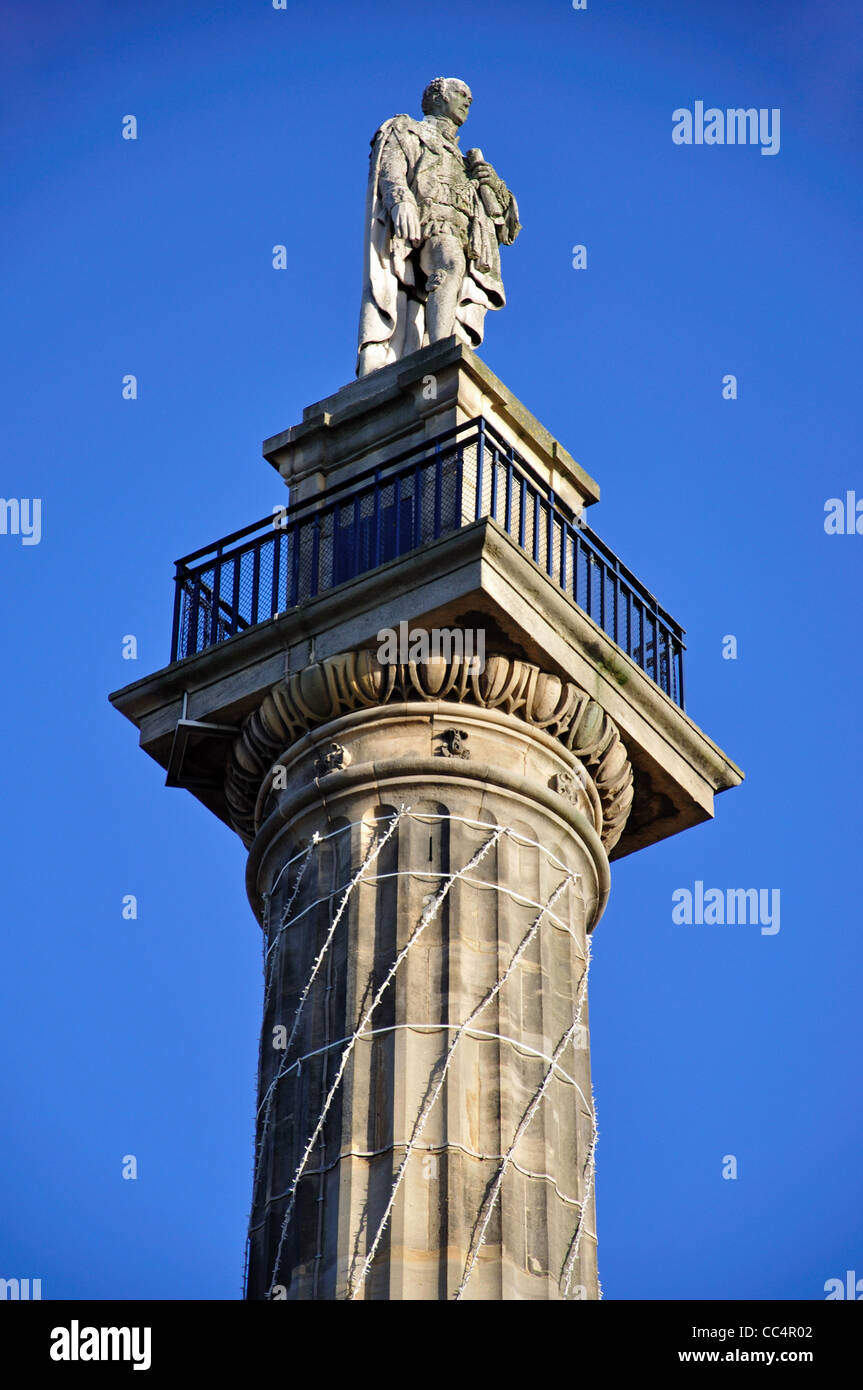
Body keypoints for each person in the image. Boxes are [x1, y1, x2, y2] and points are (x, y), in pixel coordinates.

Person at [356, 77, 521, 377]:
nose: (467, 101)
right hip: (427, 226)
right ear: (437, 97)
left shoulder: (466, 160)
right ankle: (441, 352)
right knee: (451, 261)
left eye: (470, 98)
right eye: (460, 94)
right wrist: (400, 201)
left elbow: (506, 227)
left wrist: (490, 181)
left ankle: (436, 346)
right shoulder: (408, 129)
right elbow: (390, 169)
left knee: (454, 266)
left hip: (462, 235)